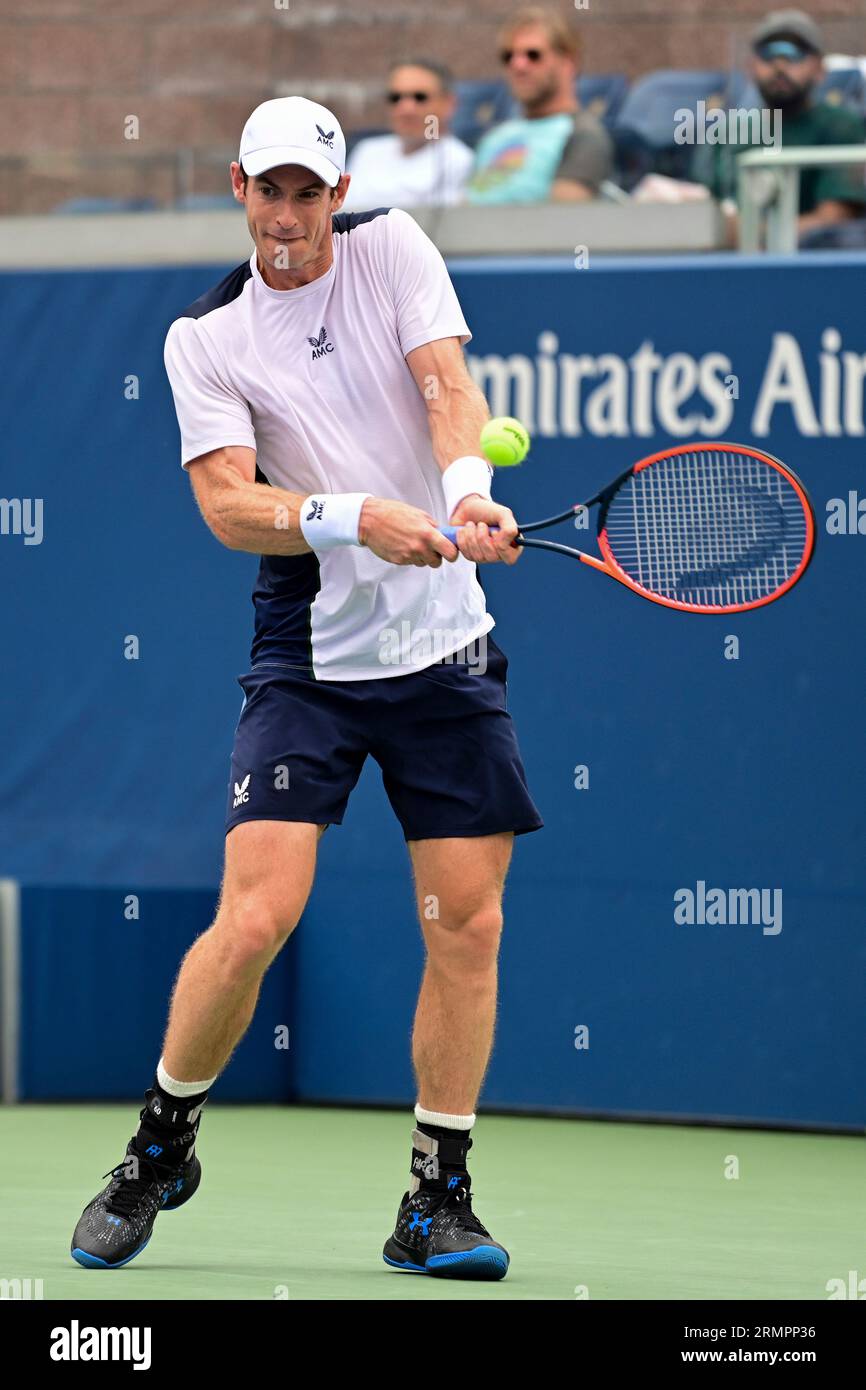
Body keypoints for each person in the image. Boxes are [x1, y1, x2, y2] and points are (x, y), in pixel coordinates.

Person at [70, 95, 543, 1281]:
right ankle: (158, 1144)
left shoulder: (391, 249)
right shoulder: (207, 336)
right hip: (312, 658)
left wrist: (461, 488)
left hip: (446, 650)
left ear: (338, 194)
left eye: (307, 192)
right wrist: (353, 519)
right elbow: (228, 503)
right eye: (266, 190)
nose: (287, 215)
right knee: (255, 917)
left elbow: (445, 386)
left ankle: (436, 1197)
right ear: (239, 187)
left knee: (468, 923)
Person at [700, 9, 866, 245]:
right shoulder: (726, 131)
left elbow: (835, 219)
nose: (779, 65)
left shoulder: (841, 126)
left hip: (809, 268)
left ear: (820, 69)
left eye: (794, 53)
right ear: (751, 67)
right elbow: (706, 211)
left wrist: (753, 235)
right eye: (768, 54)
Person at [465, 5, 613, 205]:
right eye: (508, 56)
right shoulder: (493, 138)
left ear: (569, 62)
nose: (518, 65)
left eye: (533, 55)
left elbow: (561, 223)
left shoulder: (582, 135)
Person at [343, 60, 474, 210]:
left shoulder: (458, 160)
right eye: (395, 98)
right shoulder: (366, 151)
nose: (406, 108)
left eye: (420, 97)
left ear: (449, 104)